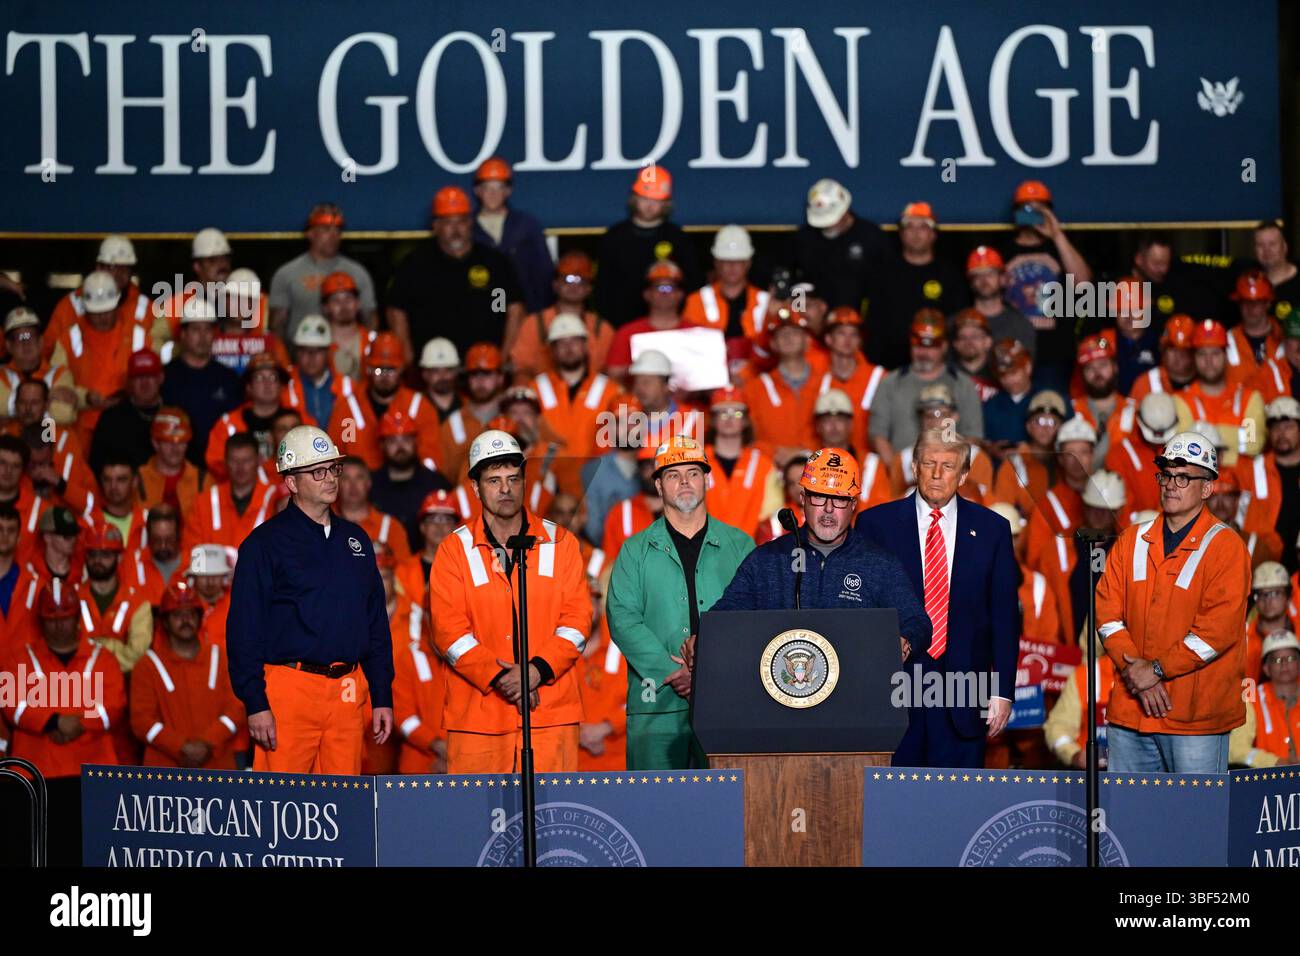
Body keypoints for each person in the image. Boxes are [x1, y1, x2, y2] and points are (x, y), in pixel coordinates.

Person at [226, 425, 394, 774]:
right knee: (282, 810)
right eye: (318, 471)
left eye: (333, 468)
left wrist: (382, 694)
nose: (331, 478)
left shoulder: (357, 540)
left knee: (343, 810)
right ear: (291, 482)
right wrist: (255, 702)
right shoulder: (264, 545)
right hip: (289, 689)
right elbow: (244, 629)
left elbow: (375, 621)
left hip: (347, 691)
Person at [426, 428, 591, 773]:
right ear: (475, 487)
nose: (505, 489)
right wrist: (503, 679)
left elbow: (577, 623)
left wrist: (536, 671)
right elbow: (448, 633)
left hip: (551, 714)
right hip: (478, 718)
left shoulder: (561, 542)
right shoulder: (453, 551)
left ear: (525, 482)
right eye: (494, 480)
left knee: (555, 821)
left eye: (514, 478)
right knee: (476, 824)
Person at [855, 429, 1019, 768]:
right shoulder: (875, 525)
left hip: (965, 690)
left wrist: (1002, 691)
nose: (937, 473)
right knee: (893, 802)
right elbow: (860, 608)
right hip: (894, 687)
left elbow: (1004, 617)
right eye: (929, 463)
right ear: (914, 467)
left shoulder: (993, 529)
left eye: (948, 465)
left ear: (963, 475)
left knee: (958, 807)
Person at [1094, 431, 1251, 773]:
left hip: (1195, 721)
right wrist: (1138, 674)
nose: (1170, 485)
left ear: (1207, 488)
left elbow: (1215, 634)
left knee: (1195, 824)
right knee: (1128, 822)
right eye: (1166, 475)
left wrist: (1155, 671)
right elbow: (1106, 615)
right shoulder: (1132, 538)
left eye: (1183, 477)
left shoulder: (1227, 548)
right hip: (1131, 713)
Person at [608, 436, 755, 769]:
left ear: (707, 480)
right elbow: (622, 618)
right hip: (656, 704)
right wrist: (673, 671)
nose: (685, 482)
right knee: (653, 807)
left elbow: (753, 618)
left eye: (693, 473)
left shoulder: (740, 544)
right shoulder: (634, 550)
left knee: (729, 804)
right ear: (658, 486)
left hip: (727, 700)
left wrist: (710, 671)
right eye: (673, 475)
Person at [0, 578, 125, 865]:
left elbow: (114, 706)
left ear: (76, 618)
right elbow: (10, 704)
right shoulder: (18, 659)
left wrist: (79, 722)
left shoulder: (102, 658)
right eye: (52, 619)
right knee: (37, 856)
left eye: (65, 618)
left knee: (91, 855)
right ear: (41, 620)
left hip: (93, 775)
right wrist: (52, 721)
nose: (59, 625)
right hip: (35, 776)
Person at [387, 186, 526, 362]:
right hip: (431, 369)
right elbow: (397, 311)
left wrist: (504, 356)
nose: (456, 229)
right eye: (448, 222)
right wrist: (406, 358)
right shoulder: (416, 264)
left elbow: (513, 309)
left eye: (461, 221)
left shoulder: (494, 263)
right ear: (435, 226)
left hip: (485, 369)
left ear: (470, 223)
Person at [131, 581, 247, 769]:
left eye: (191, 613)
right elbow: (141, 721)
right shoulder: (147, 665)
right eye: (177, 614)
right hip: (164, 771)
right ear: (165, 622)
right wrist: (181, 746)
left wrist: (206, 743)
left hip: (217, 767)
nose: (185, 620)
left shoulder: (222, 658)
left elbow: (237, 709)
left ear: (200, 618)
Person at [997, 180, 1093, 390]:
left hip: (1055, 355)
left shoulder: (1060, 249)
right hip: (1013, 355)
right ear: (1016, 213)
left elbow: (1084, 285)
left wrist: (1057, 235)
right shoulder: (1003, 253)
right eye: (1027, 209)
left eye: (1040, 209)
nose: (1033, 215)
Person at [869, 311, 984, 468]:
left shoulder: (963, 384)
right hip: (902, 472)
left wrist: (950, 473)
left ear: (944, 346)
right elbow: (878, 435)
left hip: (949, 474)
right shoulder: (890, 382)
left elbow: (973, 436)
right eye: (919, 345)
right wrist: (897, 472)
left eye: (931, 346)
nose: (924, 353)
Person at [594, 166, 701, 329]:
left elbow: (692, 286)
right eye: (644, 198)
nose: (649, 205)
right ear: (634, 199)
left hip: (670, 327)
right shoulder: (614, 237)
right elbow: (602, 290)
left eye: (656, 200)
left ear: (666, 203)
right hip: (622, 326)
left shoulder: (678, 238)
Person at [869, 201, 968, 369]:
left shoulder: (950, 276)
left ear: (933, 234)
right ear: (901, 233)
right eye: (909, 227)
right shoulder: (883, 274)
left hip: (936, 366)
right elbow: (873, 324)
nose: (916, 233)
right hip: (889, 367)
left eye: (923, 227)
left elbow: (957, 324)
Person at [532, 314, 622, 497]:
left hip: (596, 486)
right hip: (549, 490)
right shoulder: (535, 389)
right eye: (561, 343)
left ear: (585, 345)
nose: (569, 348)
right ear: (552, 349)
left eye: (574, 341)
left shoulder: (610, 390)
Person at [327, 332, 440, 471]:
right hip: (358, 489)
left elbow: (431, 460)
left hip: (405, 485)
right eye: (379, 370)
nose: (385, 376)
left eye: (391, 370)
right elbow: (334, 458)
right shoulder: (347, 409)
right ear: (368, 368)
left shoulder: (419, 407)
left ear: (401, 370)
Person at [268, 203, 378, 341]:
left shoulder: (357, 273)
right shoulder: (286, 274)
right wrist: (282, 360)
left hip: (346, 356)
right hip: (301, 356)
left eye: (337, 230)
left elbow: (370, 320)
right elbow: (277, 325)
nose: (333, 235)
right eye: (326, 229)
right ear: (310, 233)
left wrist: (368, 352)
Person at [1172, 319, 1266, 469]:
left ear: (1225, 355)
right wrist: (1236, 440)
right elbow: (1185, 452)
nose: (1209, 361)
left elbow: (1254, 444)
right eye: (1202, 354)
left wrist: (1204, 435)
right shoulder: (1180, 401)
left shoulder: (1249, 399)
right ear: (1194, 358)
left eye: (1215, 353)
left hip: (1241, 488)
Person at [160, 296, 242, 469]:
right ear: (183, 334)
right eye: (196, 329)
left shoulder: (228, 378)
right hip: (177, 466)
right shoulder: (165, 376)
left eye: (207, 330)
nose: (203, 336)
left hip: (220, 466)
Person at [792, 178, 889, 321]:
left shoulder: (871, 237)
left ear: (845, 210)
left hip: (861, 324)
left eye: (831, 219)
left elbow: (887, 283)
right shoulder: (804, 238)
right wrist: (799, 312)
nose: (827, 225)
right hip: (815, 325)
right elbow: (794, 279)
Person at [509, 252, 615, 378]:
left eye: (580, 280)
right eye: (567, 279)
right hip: (543, 393)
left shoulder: (602, 328)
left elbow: (610, 373)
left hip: (591, 394)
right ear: (555, 284)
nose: (574, 285)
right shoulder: (534, 323)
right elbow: (521, 368)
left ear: (589, 288)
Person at [471, 157, 554, 314]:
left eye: (499, 187)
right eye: (487, 188)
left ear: (508, 191)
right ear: (478, 191)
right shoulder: (467, 228)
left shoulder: (527, 225)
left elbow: (544, 273)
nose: (493, 194)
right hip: (480, 312)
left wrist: (542, 314)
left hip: (526, 309)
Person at [681, 225, 770, 364]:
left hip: (756, 375)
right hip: (709, 371)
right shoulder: (695, 301)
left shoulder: (766, 301)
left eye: (738, 261)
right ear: (716, 263)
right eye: (726, 261)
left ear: (748, 263)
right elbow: (689, 348)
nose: (732, 266)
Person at [742, 309, 820, 465]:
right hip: (771, 471)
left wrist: (805, 453)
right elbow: (746, 439)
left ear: (807, 340)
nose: (788, 337)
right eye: (781, 333)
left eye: (794, 332)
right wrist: (777, 453)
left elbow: (842, 435)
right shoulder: (755, 389)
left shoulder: (827, 383)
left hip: (821, 475)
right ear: (773, 344)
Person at [181, 433, 278, 557]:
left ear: (259, 460)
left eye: (247, 460)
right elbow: (190, 552)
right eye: (234, 460)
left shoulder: (275, 499)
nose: (240, 467)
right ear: (225, 461)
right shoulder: (205, 502)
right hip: (212, 575)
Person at [703, 386, 778, 535]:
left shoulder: (764, 466)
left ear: (745, 421)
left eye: (736, 413)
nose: (729, 418)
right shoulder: (695, 461)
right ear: (713, 420)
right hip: (705, 554)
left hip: (751, 553)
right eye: (723, 413)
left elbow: (772, 515)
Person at [605, 261, 688, 381]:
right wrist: (639, 368)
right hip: (637, 398)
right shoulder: (627, 333)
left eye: (669, 287)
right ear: (647, 294)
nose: (664, 292)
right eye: (658, 287)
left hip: (689, 399)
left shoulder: (697, 332)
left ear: (680, 294)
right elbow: (613, 377)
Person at [1106, 392, 1179, 520]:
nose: (1157, 443)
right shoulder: (1118, 456)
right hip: (1137, 532)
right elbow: (1121, 509)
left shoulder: (1181, 450)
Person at [1, 307, 77, 430]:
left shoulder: (59, 373)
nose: (26, 344)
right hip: (7, 446)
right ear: (9, 346)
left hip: (47, 442)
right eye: (20, 338)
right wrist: (43, 400)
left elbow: (65, 413)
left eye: (30, 336)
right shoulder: (1, 374)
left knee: (45, 443)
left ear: (40, 341)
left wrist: (11, 411)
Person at [89, 349, 164, 473]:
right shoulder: (111, 419)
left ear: (161, 378)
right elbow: (97, 468)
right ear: (129, 381)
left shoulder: (175, 415)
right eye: (139, 377)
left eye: (150, 376)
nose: (145, 383)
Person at [1240, 631, 1299, 767]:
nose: (1284, 664)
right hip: (1268, 782)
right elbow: (1236, 749)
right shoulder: (1251, 698)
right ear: (1266, 668)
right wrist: (1274, 762)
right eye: (1277, 660)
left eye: (1290, 658)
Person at [964, 245, 1035, 356]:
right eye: (977, 275)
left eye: (990, 274)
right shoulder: (957, 324)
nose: (984, 280)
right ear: (971, 282)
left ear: (1002, 278)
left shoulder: (1020, 325)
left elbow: (1024, 369)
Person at [285, 315, 344, 429]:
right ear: (297, 353)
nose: (311, 357)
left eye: (318, 350)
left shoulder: (347, 387)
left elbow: (352, 434)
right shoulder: (283, 383)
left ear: (328, 352)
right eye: (305, 350)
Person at [1130, 315, 1198, 402]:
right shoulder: (1145, 383)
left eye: (1184, 349)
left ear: (1195, 352)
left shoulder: (1210, 383)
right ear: (1163, 350)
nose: (1178, 354)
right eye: (1172, 347)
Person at [1253, 220, 1299, 321]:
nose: (1266, 250)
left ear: (1285, 247)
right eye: (1260, 245)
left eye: (1272, 244)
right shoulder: (1251, 283)